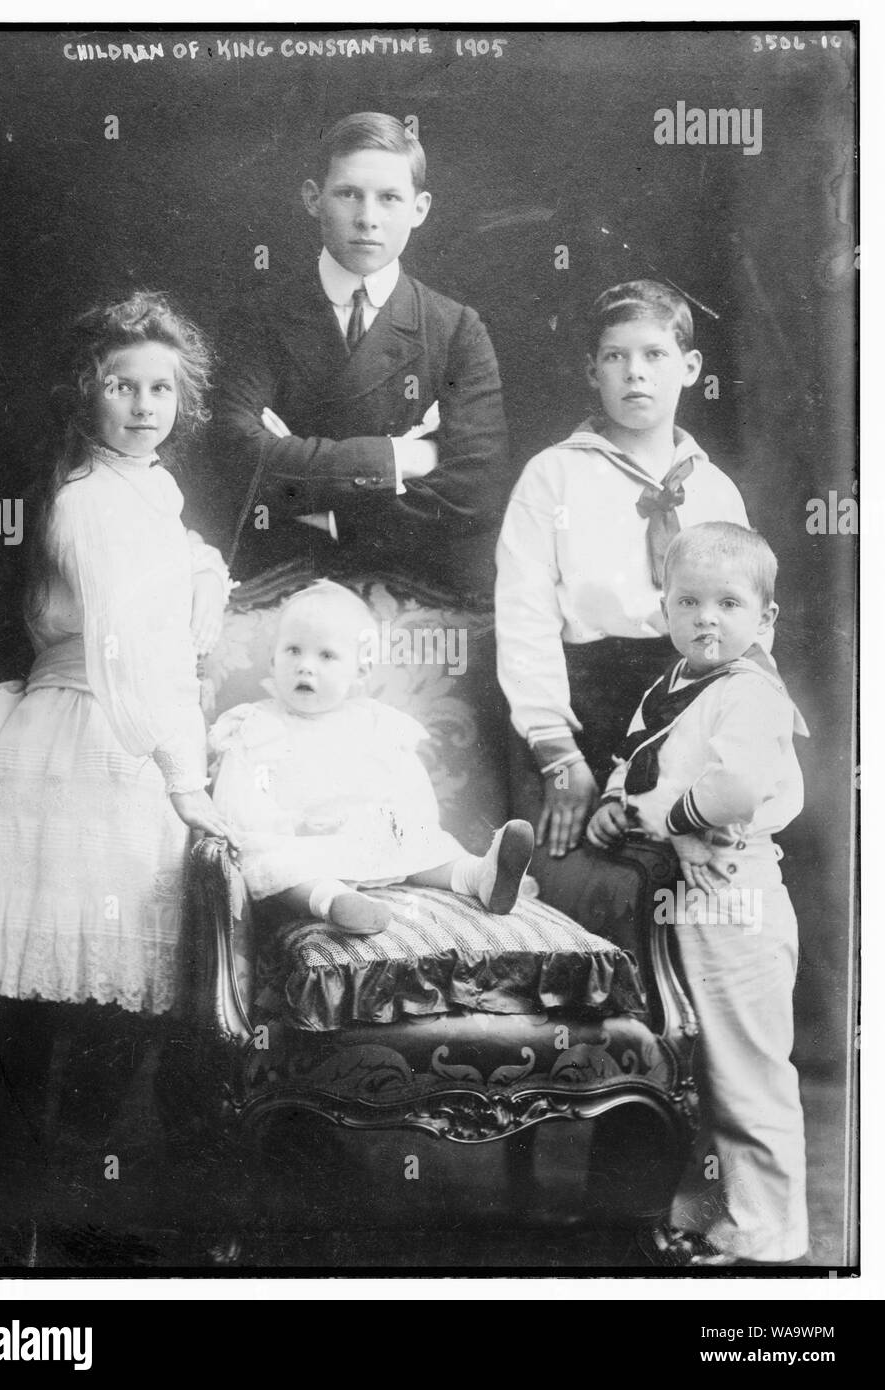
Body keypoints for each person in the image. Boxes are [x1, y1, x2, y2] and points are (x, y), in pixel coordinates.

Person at [0, 291, 237, 1163]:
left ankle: (74, 1175)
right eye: (123, 386)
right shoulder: (83, 496)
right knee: (55, 973)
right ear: (88, 391)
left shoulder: (154, 489)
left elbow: (172, 578)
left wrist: (204, 572)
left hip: (133, 741)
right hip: (83, 740)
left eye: (162, 390)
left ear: (182, 402)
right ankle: (19, 1185)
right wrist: (183, 777)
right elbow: (123, 650)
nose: (144, 406)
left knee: (115, 980)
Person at [587, 522, 809, 1266]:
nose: (706, 618)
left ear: (764, 619)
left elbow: (735, 786)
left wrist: (672, 821)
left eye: (727, 603)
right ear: (665, 609)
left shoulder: (751, 693)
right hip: (684, 902)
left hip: (735, 893)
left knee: (747, 1073)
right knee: (702, 1068)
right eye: (688, 602)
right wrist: (617, 804)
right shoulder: (669, 685)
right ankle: (711, 1216)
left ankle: (767, 1237)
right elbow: (638, 767)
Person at [495, 279, 754, 861]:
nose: (635, 373)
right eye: (616, 357)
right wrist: (558, 755)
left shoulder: (715, 491)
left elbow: (751, 623)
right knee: (609, 867)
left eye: (654, 355)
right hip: (589, 710)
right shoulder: (553, 477)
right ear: (593, 372)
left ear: (690, 367)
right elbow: (524, 618)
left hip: (693, 706)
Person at [206, 111, 510, 596]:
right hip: (281, 579)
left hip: (414, 586)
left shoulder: (455, 330)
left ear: (420, 208)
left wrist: (322, 514)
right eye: (349, 193)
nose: (368, 218)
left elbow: (475, 493)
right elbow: (236, 460)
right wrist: (400, 458)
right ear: (313, 198)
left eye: (390, 198)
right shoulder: (257, 321)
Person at [209, 581, 534, 936]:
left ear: (360, 671)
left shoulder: (377, 724)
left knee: (424, 842)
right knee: (273, 863)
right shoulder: (258, 726)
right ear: (272, 660)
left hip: (366, 838)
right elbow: (239, 802)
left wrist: (393, 822)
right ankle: (335, 903)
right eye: (292, 651)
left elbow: (411, 790)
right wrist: (290, 824)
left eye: (326, 655)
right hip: (297, 843)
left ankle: (479, 876)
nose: (305, 667)